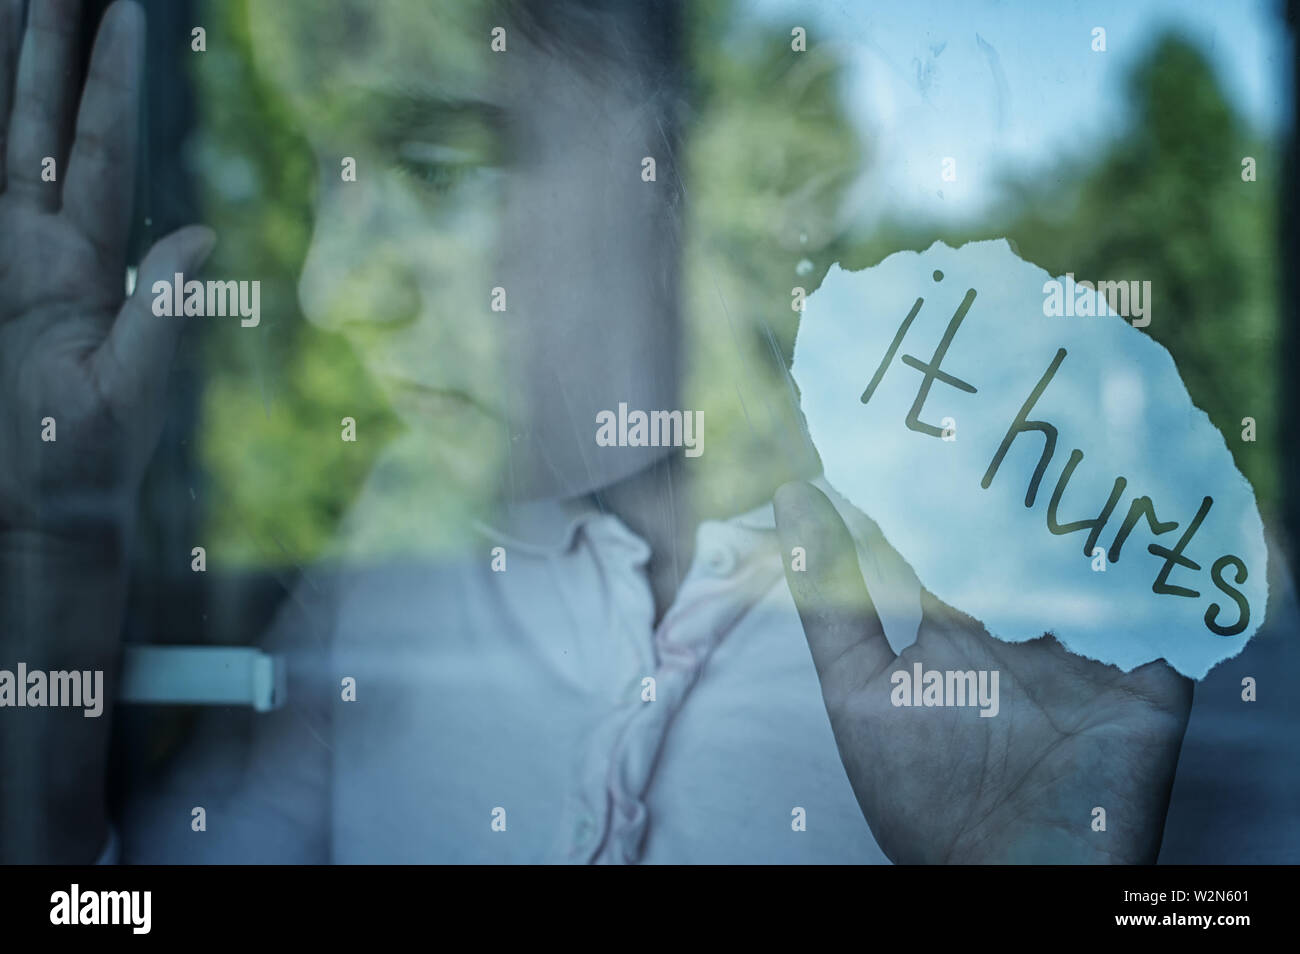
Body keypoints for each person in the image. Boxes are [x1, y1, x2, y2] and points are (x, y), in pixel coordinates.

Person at [0, 0, 1251, 865]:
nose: (333, 286)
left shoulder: (1018, 640)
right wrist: (50, 557)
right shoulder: (402, 554)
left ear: (764, 168)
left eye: (435, 166)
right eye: (328, 173)